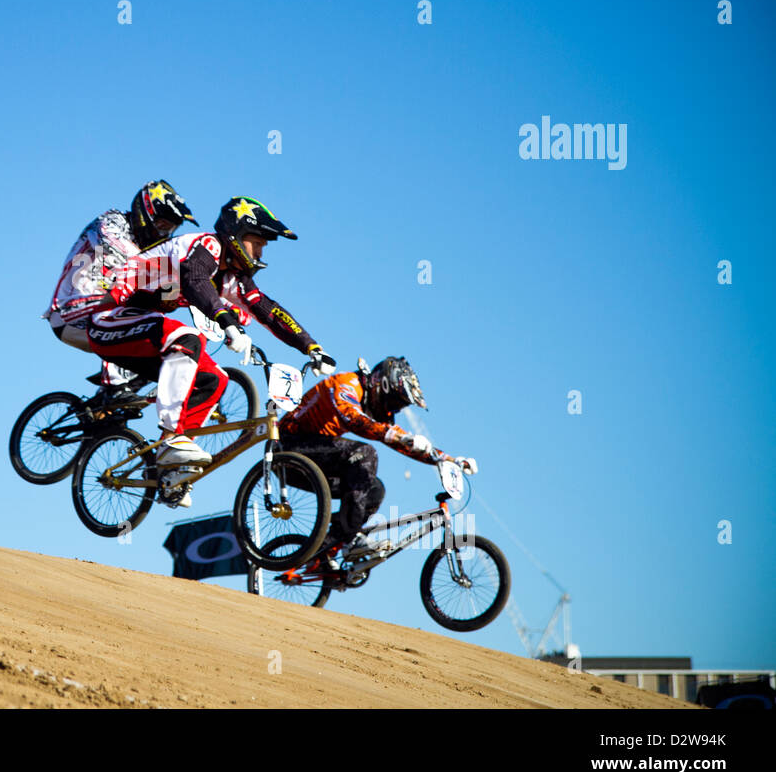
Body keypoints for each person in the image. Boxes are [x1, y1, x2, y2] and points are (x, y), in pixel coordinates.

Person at [89, 196, 335, 503]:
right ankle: (170, 440)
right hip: (108, 318)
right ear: (235, 234)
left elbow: (268, 311)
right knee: (189, 339)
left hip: (139, 328)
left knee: (214, 378)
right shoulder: (207, 246)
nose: (259, 253)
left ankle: (170, 471)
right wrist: (228, 323)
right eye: (256, 243)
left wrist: (311, 347)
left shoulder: (232, 277)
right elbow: (194, 280)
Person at [277, 356, 478, 558]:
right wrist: (397, 436)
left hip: (314, 459)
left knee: (374, 489)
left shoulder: (372, 403)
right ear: (380, 384)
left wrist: (449, 460)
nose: (394, 410)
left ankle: (327, 552)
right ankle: (351, 538)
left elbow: (401, 442)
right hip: (289, 446)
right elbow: (353, 417)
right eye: (395, 402)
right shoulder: (348, 384)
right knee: (365, 454)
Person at [44, 180, 196, 402]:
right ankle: (114, 386)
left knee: (158, 330)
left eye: (171, 228)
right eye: (163, 225)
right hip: (70, 310)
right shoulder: (112, 221)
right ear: (146, 213)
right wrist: (164, 269)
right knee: (124, 306)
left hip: (98, 315)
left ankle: (104, 415)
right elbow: (116, 244)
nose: (166, 233)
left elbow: (165, 292)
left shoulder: (153, 251)